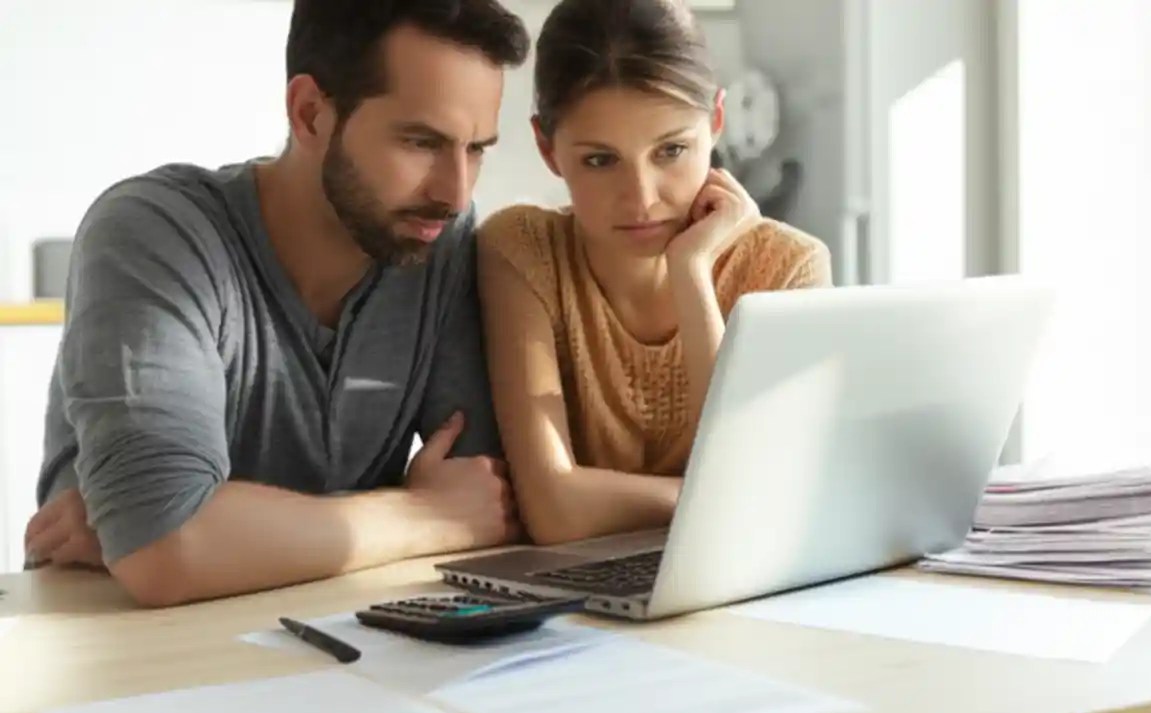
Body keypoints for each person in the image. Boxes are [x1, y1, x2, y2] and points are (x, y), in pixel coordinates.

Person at [22, 0, 530, 607]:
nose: (455, 191)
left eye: (476, 149)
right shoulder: (154, 233)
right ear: (310, 113)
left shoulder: (436, 240)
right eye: (421, 142)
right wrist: (429, 513)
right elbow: (164, 552)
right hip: (132, 657)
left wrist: (175, 527)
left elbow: (493, 498)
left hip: (349, 640)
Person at [477, 0, 833, 546]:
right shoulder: (523, 252)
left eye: (671, 150)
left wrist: (691, 271)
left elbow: (773, 497)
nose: (641, 198)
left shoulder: (788, 268)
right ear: (549, 149)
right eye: (601, 160)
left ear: (715, 122)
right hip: (579, 596)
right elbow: (555, 512)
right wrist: (719, 496)